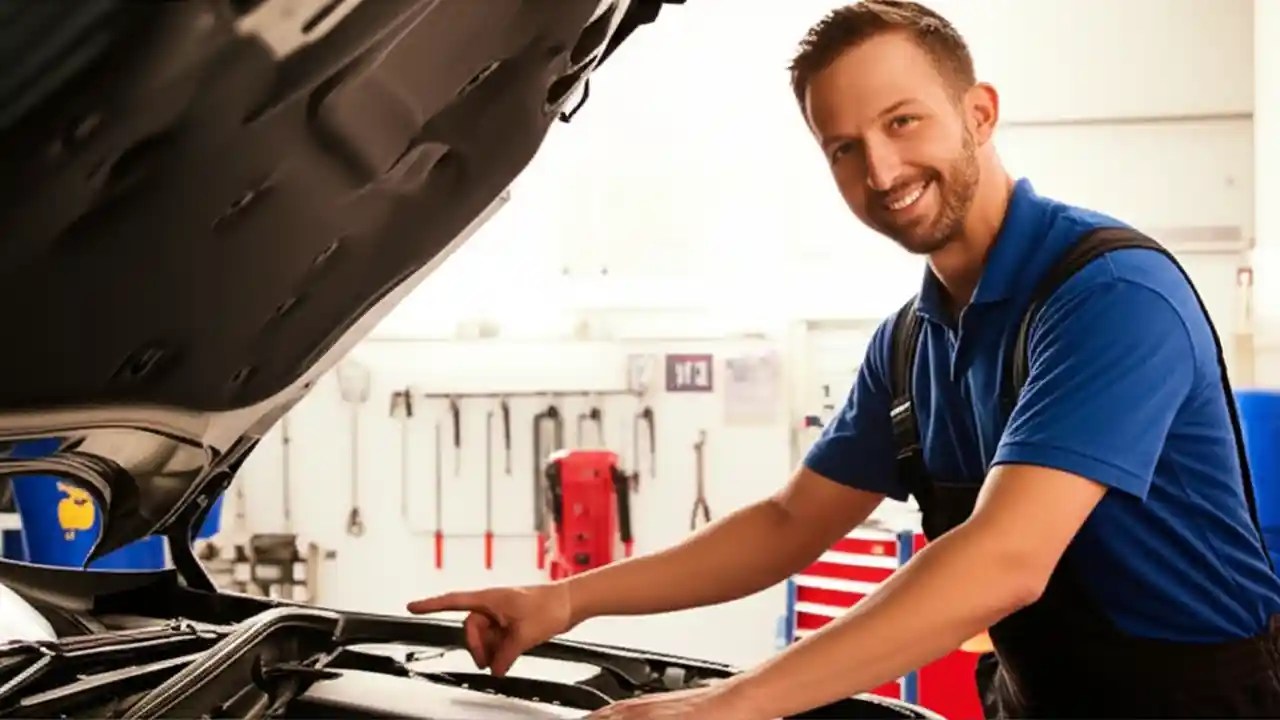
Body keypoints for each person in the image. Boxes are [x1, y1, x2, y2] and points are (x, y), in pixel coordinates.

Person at [406, 2, 1280, 717]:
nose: (883, 168)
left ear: (980, 112)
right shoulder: (910, 344)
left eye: (904, 122)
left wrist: (736, 703)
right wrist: (568, 600)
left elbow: (1005, 560)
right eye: (845, 148)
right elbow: (790, 523)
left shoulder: (1110, 296)